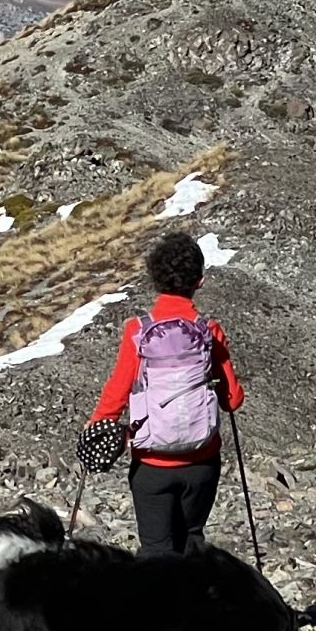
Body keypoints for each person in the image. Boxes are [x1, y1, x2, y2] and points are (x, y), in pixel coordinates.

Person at [88, 230, 245, 555]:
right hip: (201, 460)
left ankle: (158, 605)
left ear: (154, 278)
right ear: (199, 281)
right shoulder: (209, 331)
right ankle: (195, 604)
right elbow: (233, 400)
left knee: (156, 552)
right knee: (191, 542)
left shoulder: (138, 331)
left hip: (151, 463)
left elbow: (118, 389)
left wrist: (96, 428)